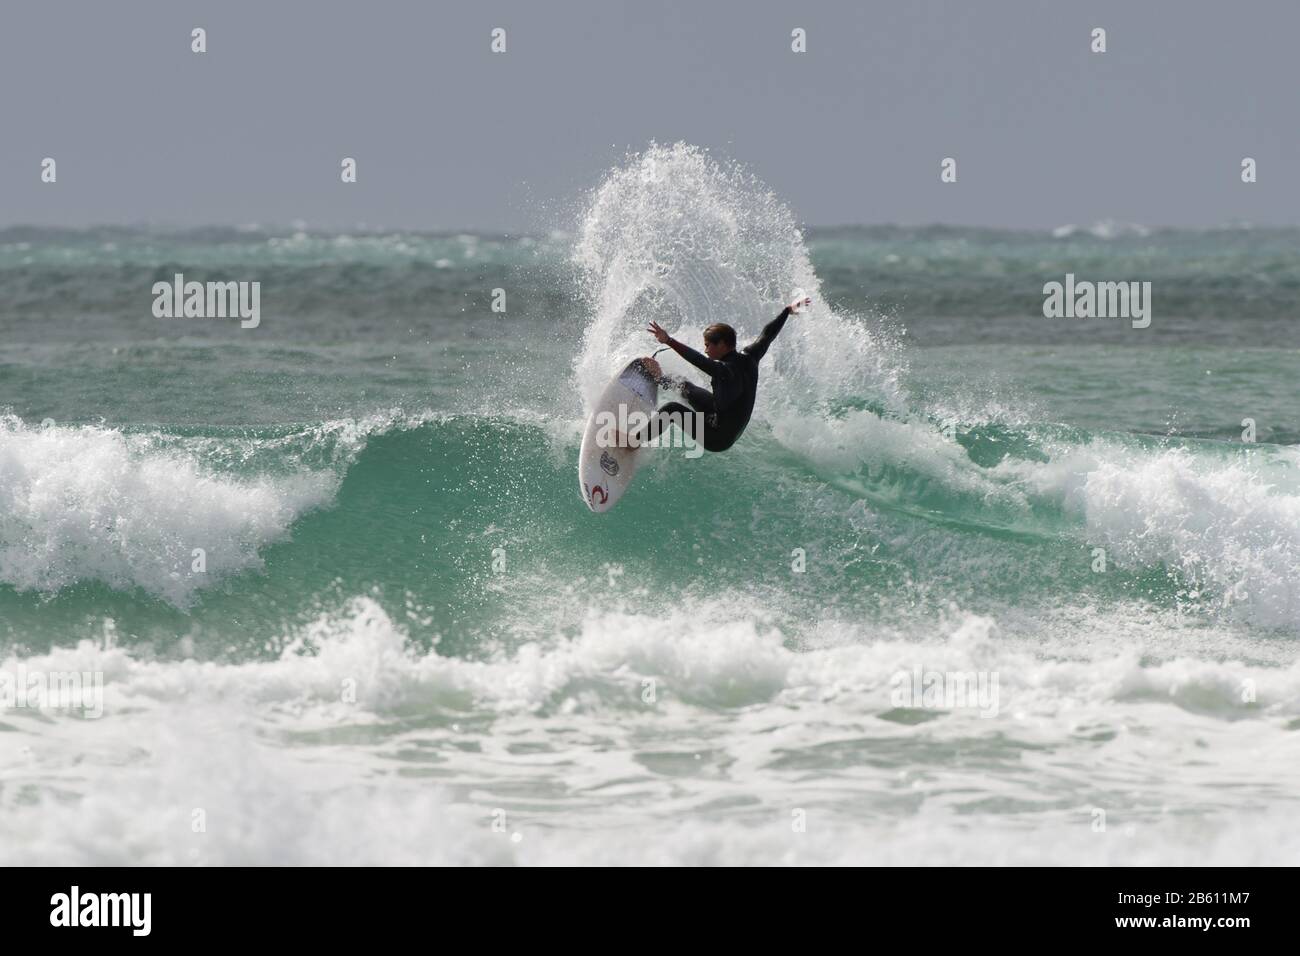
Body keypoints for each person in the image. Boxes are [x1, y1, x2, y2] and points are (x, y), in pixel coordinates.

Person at [635, 295, 810, 452]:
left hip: (718, 436)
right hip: (720, 413)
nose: (705, 350)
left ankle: (634, 441)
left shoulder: (724, 370)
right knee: (684, 386)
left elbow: (698, 360)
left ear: (722, 345)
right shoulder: (750, 355)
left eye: (708, 345)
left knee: (672, 410)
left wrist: (669, 340)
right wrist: (787, 311)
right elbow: (767, 334)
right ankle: (657, 378)